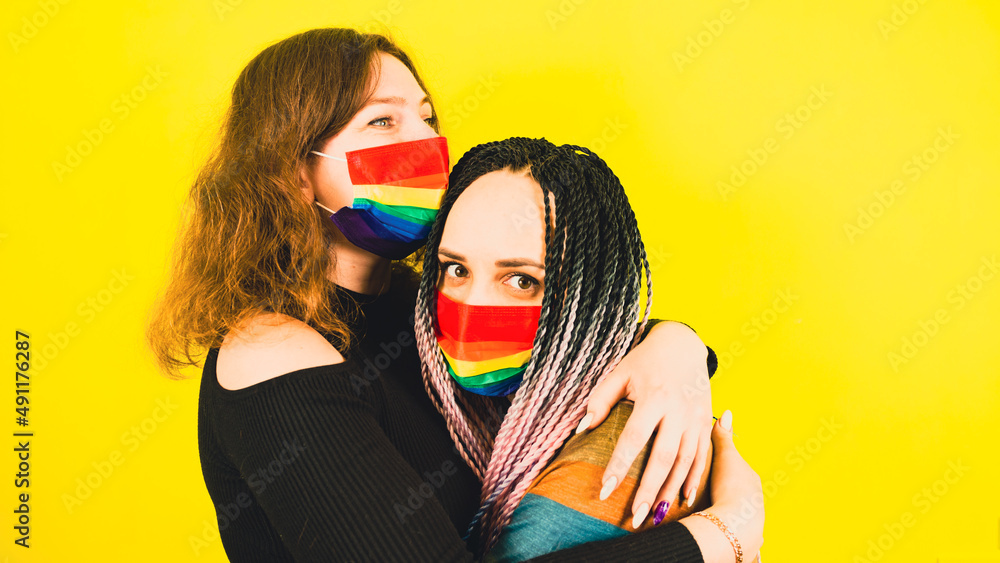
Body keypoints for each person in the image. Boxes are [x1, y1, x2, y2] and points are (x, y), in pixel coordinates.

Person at [146, 28, 748, 561]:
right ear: (295, 171)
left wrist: (678, 343)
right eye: (383, 121)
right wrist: (722, 535)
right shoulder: (270, 351)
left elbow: (568, 330)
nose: (425, 143)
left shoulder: (422, 304)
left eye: (427, 118)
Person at [414, 138, 763, 561]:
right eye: (457, 269)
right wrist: (676, 337)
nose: (472, 309)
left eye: (522, 280)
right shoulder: (459, 400)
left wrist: (727, 535)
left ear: (593, 296)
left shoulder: (620, 454)